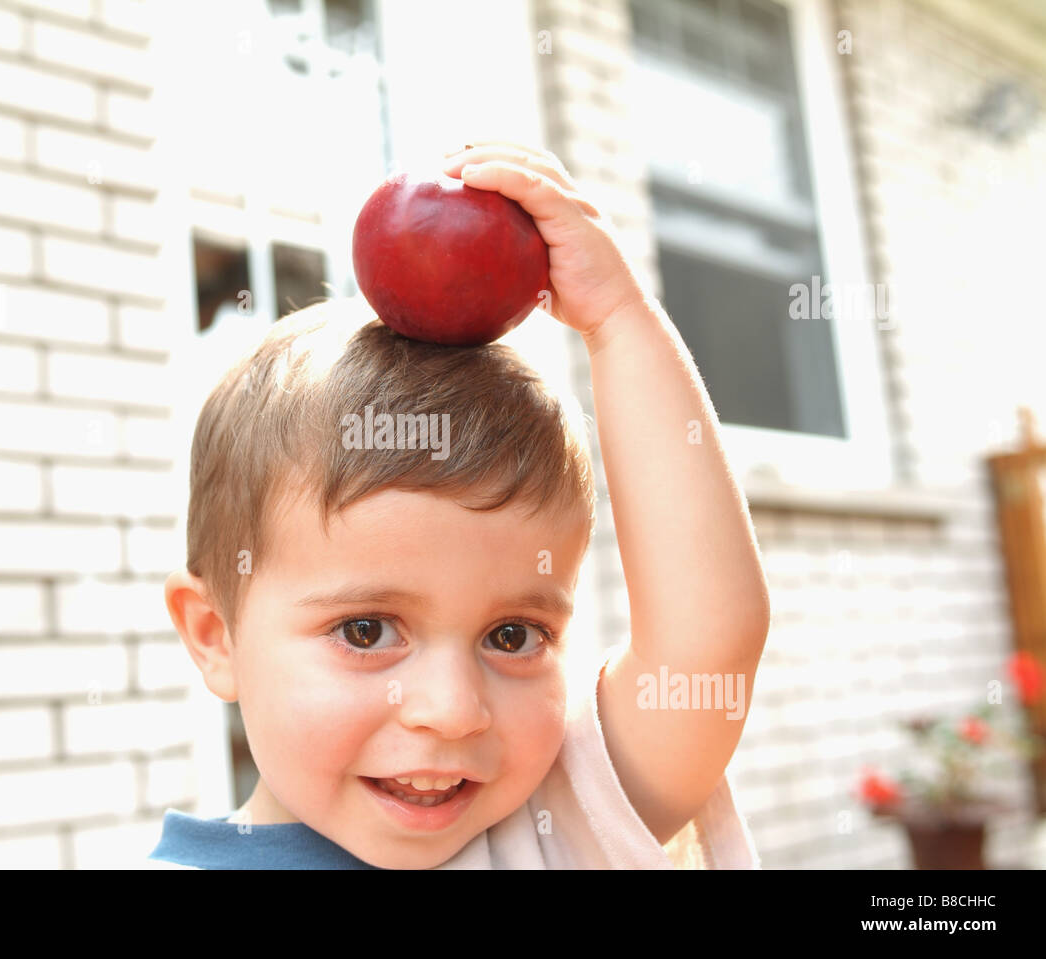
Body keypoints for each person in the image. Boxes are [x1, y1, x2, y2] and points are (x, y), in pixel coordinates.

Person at [150, 142, 769, 869]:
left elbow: (708, 645)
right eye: (366, 628)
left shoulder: (545, 830)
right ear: (215, 632)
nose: (450, 710)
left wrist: (618, 319)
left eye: (512, 635)